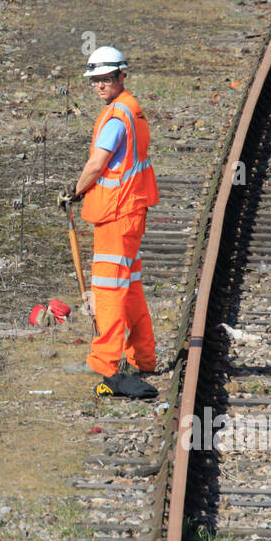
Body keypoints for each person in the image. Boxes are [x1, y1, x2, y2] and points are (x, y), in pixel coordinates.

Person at [65, 46, 161, 399]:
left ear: (122, 76)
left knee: (108, 290)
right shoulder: (132, 110)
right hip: (130, 211)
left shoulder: (116, 117)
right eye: (96, 80)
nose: (100, 85)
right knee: (131, 286)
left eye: (107, 78)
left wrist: (75, 190)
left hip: (116, 215)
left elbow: (97, 164)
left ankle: (106, 364)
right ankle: (144, 356)